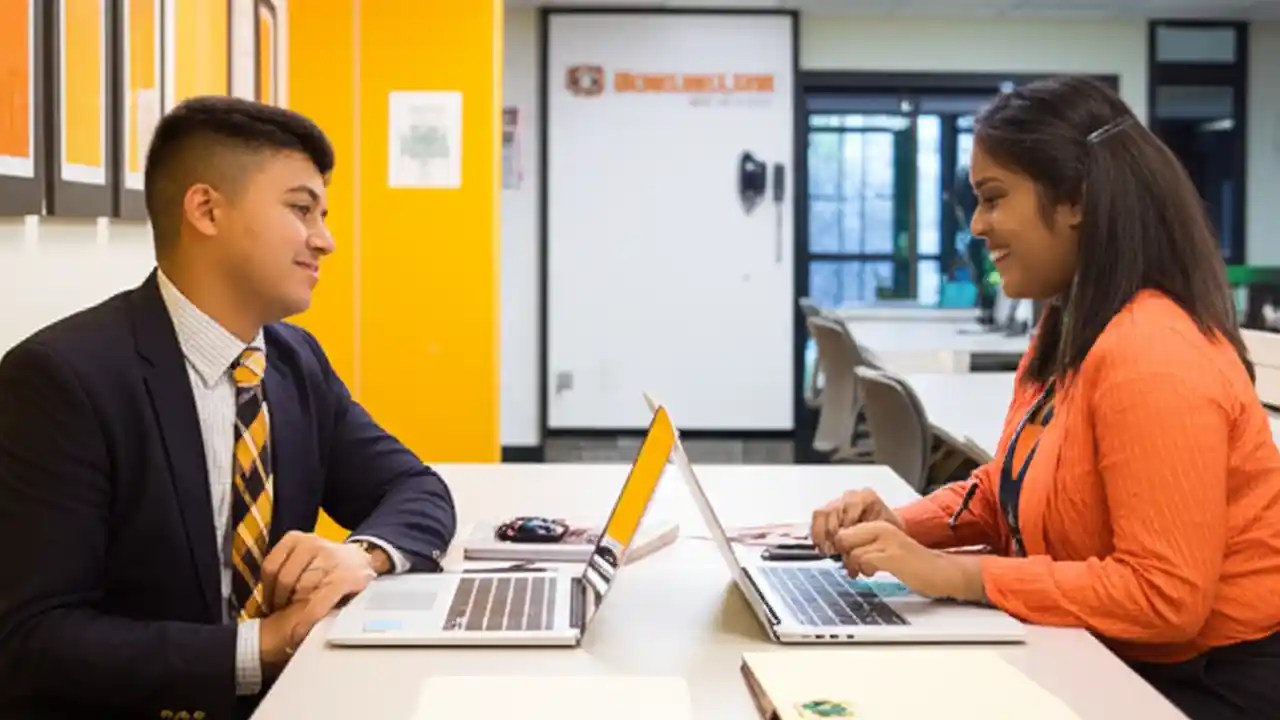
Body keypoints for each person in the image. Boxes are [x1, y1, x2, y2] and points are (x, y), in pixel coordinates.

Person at [810, 76, 1280, 719]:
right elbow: (1012, 484)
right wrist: (898, 526)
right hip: (1118, 656)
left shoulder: (1153, 354)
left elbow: (1164, 598)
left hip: (1204, 686)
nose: (977, 225)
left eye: (993, 198)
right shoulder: (1067, 329)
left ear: (1076, 199)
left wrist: (958, 576)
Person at [0, 97, 457, 720]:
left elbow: (416, 487)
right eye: (301, 210)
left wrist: (361, 554)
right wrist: (263, 644)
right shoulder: (63, 379)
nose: (324, 240)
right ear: (206, 209)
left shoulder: (294, 361)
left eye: (322, 214)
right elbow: (35, 642)